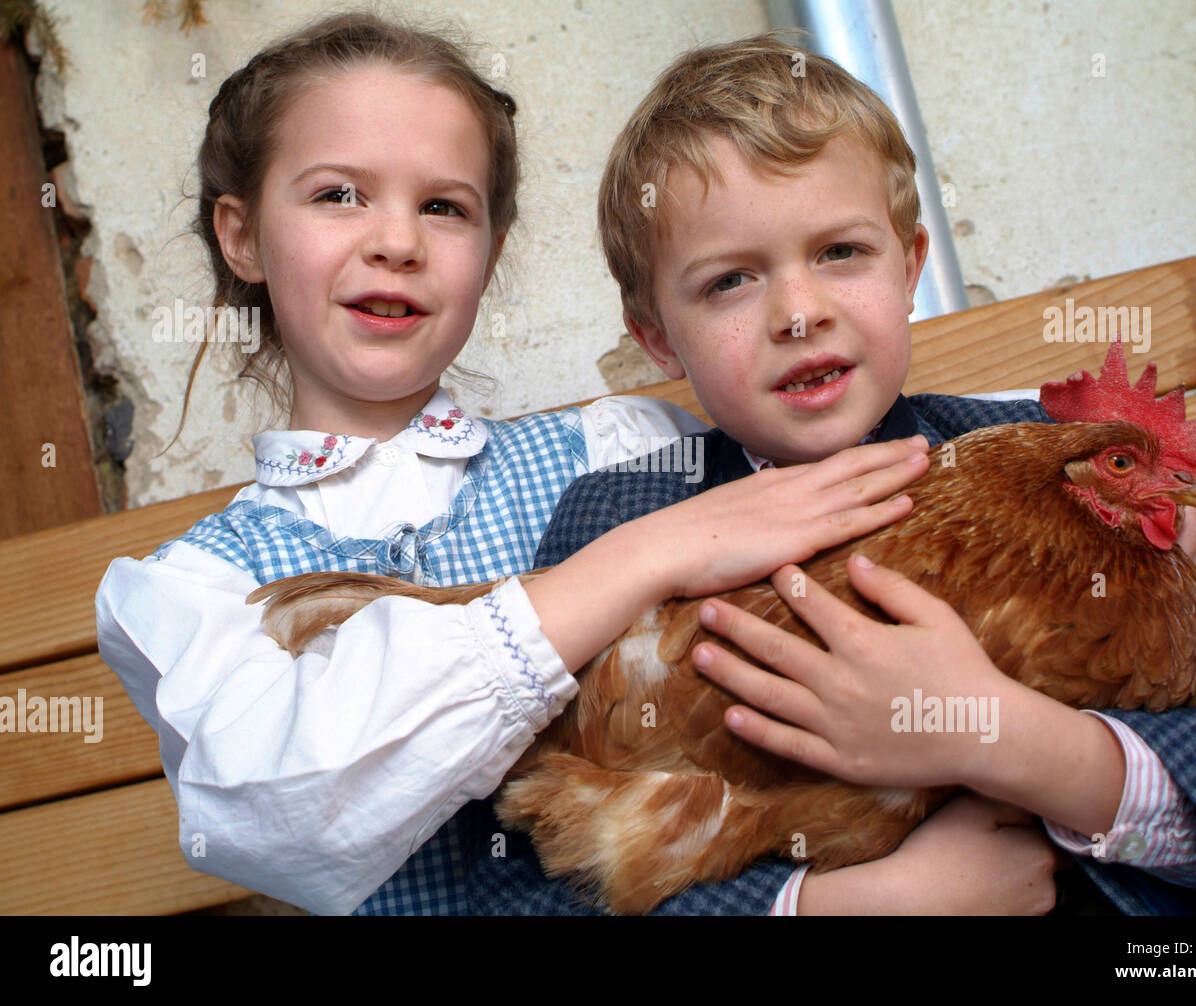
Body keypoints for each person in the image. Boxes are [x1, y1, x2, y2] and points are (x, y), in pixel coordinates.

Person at [94, 12, 961, 916]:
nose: (397, 240)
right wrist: (640, 559)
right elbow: (284, 814)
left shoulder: (624, 453)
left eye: (444, 206)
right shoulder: (198, 589)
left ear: (491, 251)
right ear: (241, 236)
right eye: (338, 195)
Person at [508, 34, 1196, 915]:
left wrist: (1010, 742)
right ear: (656, 337)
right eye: (730, 280)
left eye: (840, 252)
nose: (799, 313)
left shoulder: (1048, 468)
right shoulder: (628, 521)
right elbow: (526, 866)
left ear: (911, 265)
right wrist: (847, 905)